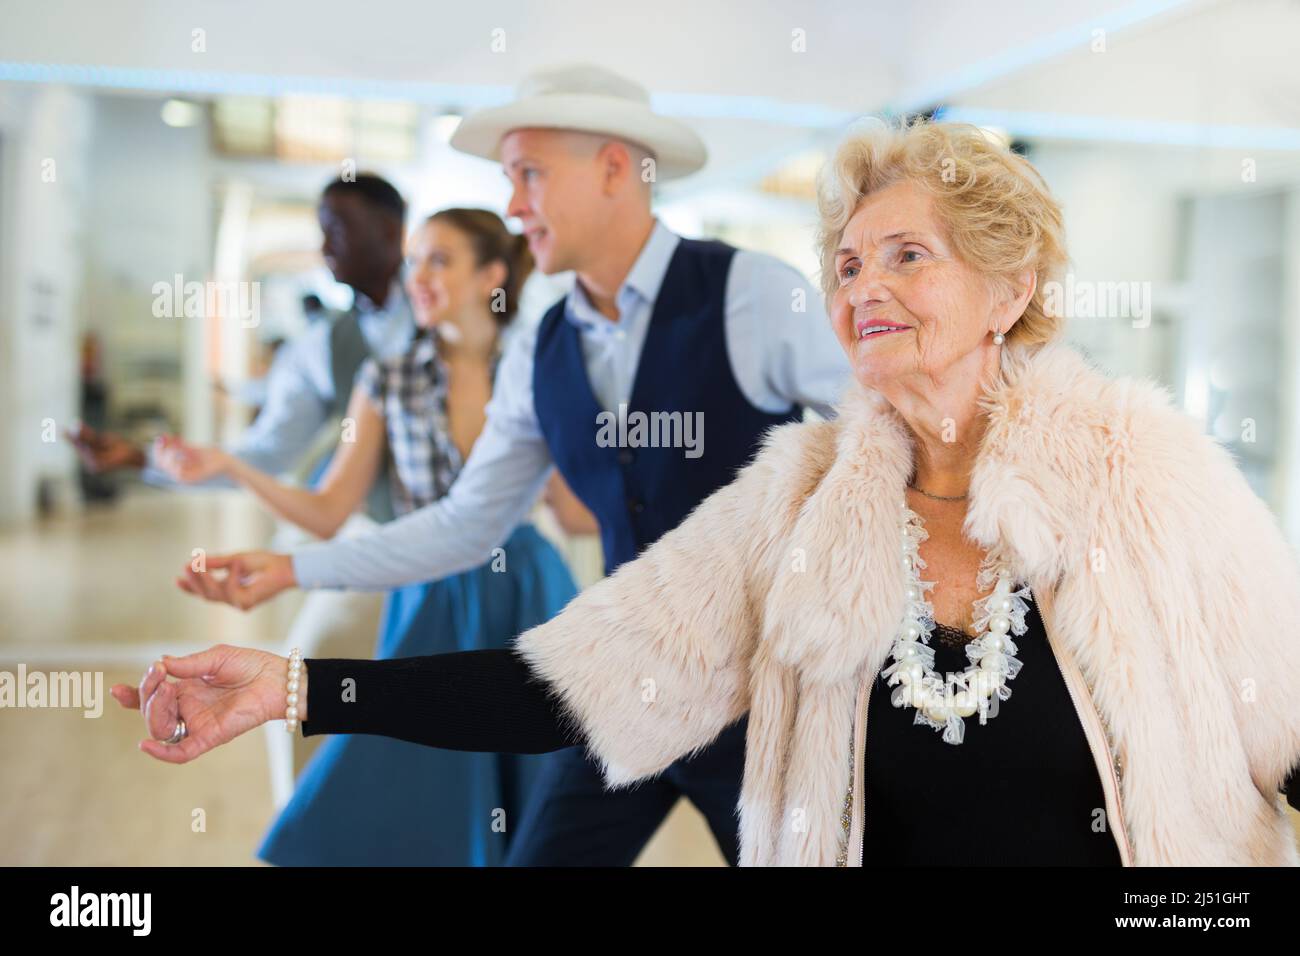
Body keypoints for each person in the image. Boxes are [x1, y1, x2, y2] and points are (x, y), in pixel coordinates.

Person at [114, 118, 1300, 867]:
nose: (860, 289)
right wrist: (299, 684)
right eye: (844, 262)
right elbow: (583, 672)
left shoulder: (1144, 472)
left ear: (1007, 291)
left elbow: (1286, 720)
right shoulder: (794, 501)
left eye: (905, 254)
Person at [157, 64, 850, 867]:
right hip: (628, 687)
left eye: (529, 175)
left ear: (615, 168)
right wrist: (292, 566)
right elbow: (466, 523)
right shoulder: (540, 352)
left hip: (764, 705)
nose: (515, 206)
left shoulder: (752, 297)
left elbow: (887, 443)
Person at [150, 209, 581, 865]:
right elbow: (329, 509)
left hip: (525, 586)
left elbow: (576, 512)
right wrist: (236, 467)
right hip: (427, 590)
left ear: (491, 274)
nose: (418, 278)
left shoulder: (533, 373)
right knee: (408, 766)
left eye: (440, 260)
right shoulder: (387, 380)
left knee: (540, 774)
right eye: (415, 262)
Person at [67, 173, 414, 524]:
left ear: (388, 230)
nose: (325, 249)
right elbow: (267, 453)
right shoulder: (320, 347)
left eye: (338, 231)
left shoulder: (449, 311)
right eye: (323, 234)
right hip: (395, 532)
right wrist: (143, 459)